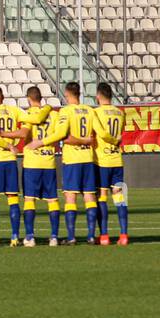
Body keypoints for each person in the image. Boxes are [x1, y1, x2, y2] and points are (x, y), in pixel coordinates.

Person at [0, 86, 51, 248]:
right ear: (2, 97)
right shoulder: (14, 110)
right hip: (11, 160)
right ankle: (14, 237)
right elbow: (27, 128)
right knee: (13, 199)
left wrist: (0, 136)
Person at [20, 87, 68, 248]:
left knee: (29, 199)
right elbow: (60, 134)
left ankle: (30, 237)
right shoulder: (53, 115)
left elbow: (24, 135)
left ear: (28, 99)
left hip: (32, 163)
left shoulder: (28, 115)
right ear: (40, 98)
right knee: (52, 200)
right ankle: (54, 237)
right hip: (48, 162)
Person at [56, 81, 100, 245]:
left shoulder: (65, 111)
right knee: (89, 195)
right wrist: (87, 141)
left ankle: (71, 237)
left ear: (67, 94)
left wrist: (80, 140)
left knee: (70, 196)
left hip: (73, 160)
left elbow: (65, 137)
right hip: (88, 159)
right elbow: (95, 135)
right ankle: (90, 236)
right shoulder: (90, 110)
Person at [91, 82, 129, 246]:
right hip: (117, 160)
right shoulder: (120, 113)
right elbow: (120, 134)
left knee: (102, 198)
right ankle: (124, 235)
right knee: (120, 198)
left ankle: (104, 236)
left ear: (98, 96)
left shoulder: (96, 113)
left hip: (101, 161)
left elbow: (101, 133)